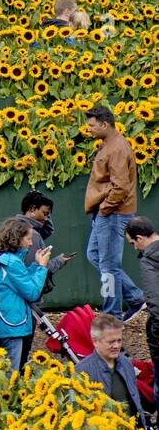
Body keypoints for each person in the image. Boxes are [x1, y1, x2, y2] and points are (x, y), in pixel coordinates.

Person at [84, 104, 142, 319]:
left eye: (91, 125)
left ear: (104, 124)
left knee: (108, 268)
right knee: (95, 255)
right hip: (108, 214)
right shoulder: (109, 144)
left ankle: (112, 315)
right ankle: (135, 298)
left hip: (113, 214)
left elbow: (121, 187)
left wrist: (105, 210)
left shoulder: (116, 148)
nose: (88, 129)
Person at [0, 217, 51, 376]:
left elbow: (18, 282)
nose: (31, 243)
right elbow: (31, 292)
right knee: (10, 375)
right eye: (29, 239)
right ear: (17, 238)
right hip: (12, 325)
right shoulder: (12, 262)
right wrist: (42, 267)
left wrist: (36, 265)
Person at [10, 190, 74, 365]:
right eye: (45, 214)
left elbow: (48, 229)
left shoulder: (13, 225)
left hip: (12, 298)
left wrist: (42, 201)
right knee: (21, 349)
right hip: (27, 301)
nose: (47, 219)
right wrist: (60, 261)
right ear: (32, 209)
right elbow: (36, 269)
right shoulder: (32, 235)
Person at [75, 314, 145, 421]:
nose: (116, 346)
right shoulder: (81, 372)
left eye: (119, 341)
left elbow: (135, 403)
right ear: (95, 341)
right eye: (111, 342)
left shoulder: (126, 364)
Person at [124, 218, 159, 369]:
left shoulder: (148, 261)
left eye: (133, 243)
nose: (135, 248)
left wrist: (156, 335)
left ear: (139, 238)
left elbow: (155, 301)